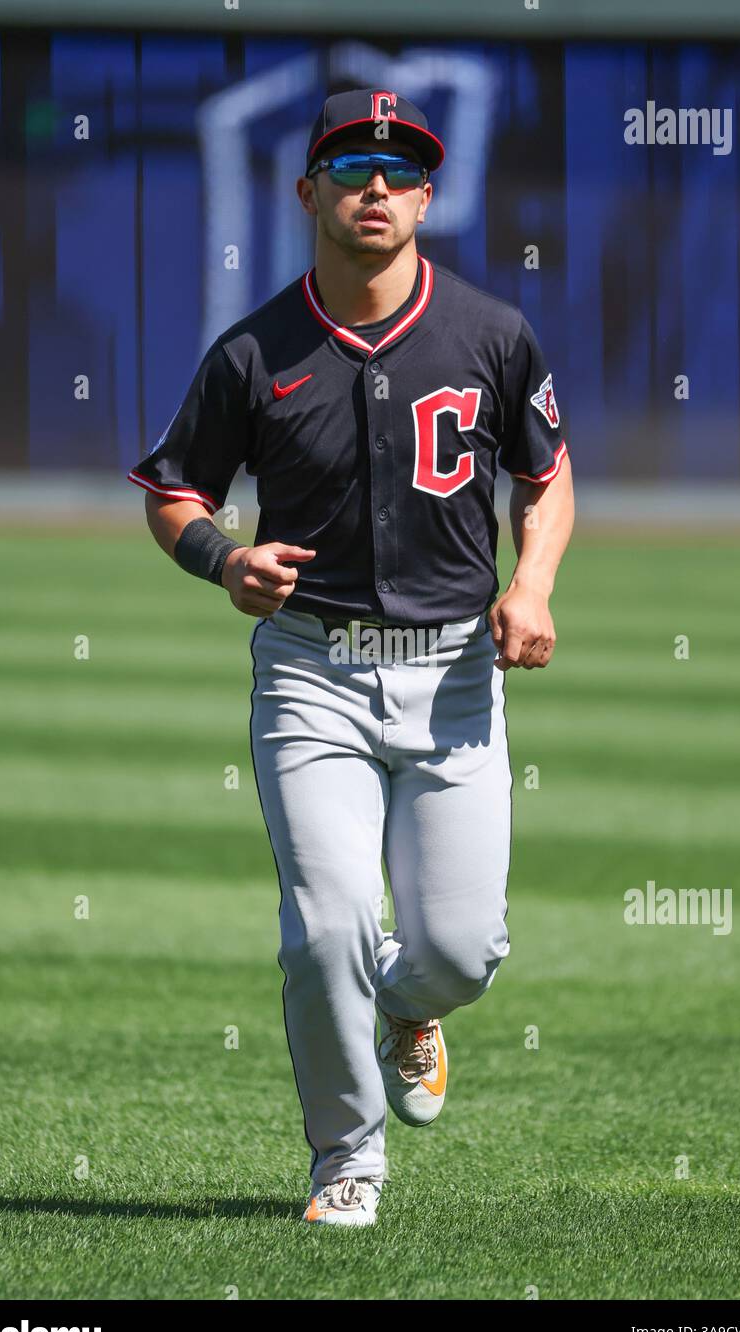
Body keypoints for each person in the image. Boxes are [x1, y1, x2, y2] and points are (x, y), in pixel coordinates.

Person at [129, 88, 575, 1227]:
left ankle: (410, 1007)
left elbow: (546, 474)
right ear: (308, 191)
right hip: (309, 672)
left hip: (453, 680)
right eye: (349, 164)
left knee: (459, 952)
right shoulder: (252, 349)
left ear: (427, 194)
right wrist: (220, 561)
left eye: (398, 167)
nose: (374, 185)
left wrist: (529, 583)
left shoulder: (489, 332)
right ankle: (346, 1158)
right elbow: (173, 488)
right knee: (325, 924)